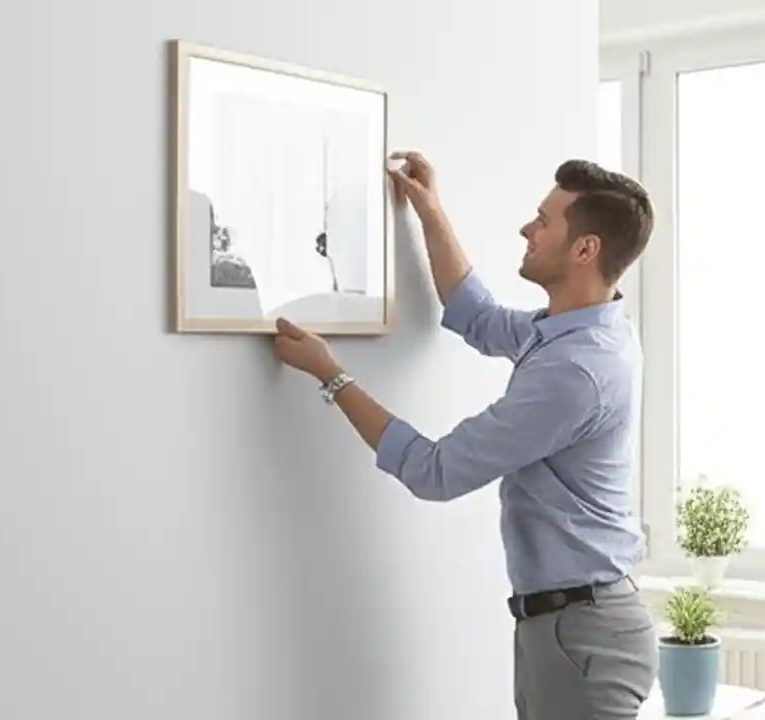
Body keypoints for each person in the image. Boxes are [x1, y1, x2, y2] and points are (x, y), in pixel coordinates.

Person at [272, 151, 657, 720]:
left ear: (585, 249)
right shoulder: (577, 330)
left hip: (581, 636)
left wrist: (333, 376)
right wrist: (428, 209)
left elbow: (435, 471)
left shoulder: (575, 372)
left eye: (543, 220)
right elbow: (477, 315)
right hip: (574, 626)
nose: (526, 228)